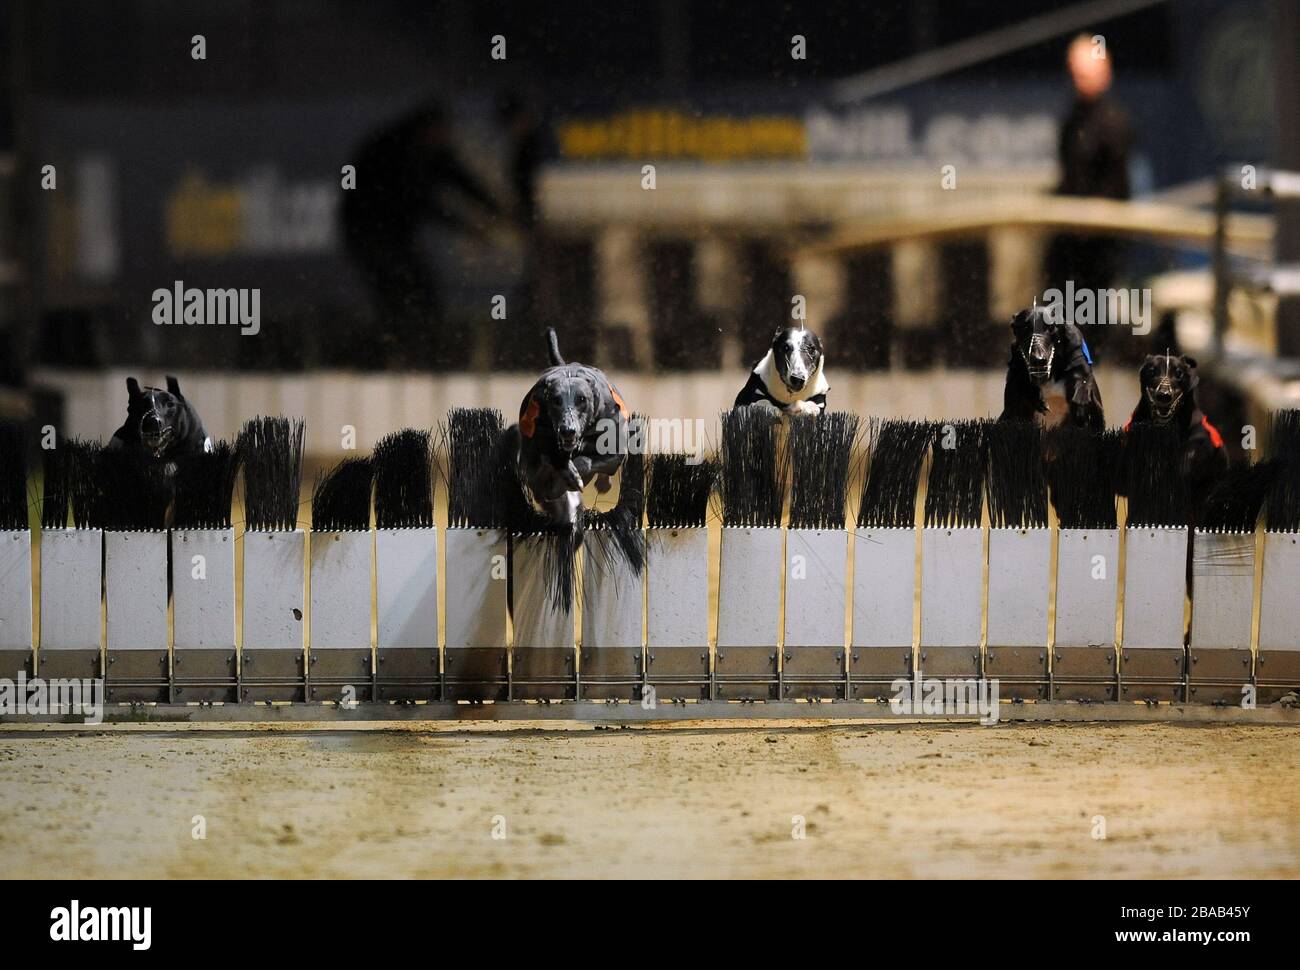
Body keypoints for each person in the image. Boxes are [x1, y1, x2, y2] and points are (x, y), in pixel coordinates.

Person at [342, 101, 501, 369]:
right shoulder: (398, 150)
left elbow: (457, 177)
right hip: (368, 231)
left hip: (391, 231)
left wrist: (496, 208)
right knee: (399, 290)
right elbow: (423, 202)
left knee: (419, 291)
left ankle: (411, 352)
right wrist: (469, 227)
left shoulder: (428, 148)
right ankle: (387, 355)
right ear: (428, 130)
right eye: (442, 132)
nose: (445, 138)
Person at [1045, 34, 1133, 361]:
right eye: (1076, 72)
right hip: (1070, 244)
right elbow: (1068, 177)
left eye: (1087, 71)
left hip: (1099, 245)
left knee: (1093, 320)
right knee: (1062, 315)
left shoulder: (1113, 122)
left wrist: (1091, 223)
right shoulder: (1072, 120)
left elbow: (1118, 186)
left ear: (1105, 72)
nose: (1080, 79)